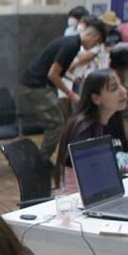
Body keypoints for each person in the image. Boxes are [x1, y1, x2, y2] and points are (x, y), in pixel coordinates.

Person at [18, 19, 106, 160]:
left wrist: (73, 80)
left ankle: (55, 158)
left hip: (37, 84)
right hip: (35, 86)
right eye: (95, 43)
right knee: (56, 124)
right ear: (95, 38)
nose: (93, 46)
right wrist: (71, 94)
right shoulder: (71, 45)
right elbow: (53, 75)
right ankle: (42, 161)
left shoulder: (71, 42)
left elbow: (58, 71)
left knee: (62, 122)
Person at [55, 69, 128, 193]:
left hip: (111, 188)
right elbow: (90, 180)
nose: (124, 91)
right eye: (114, 88)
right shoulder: (84, 129)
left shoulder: (114, 118)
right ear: (96, 98)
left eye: (121, 84)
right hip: (80, 197)